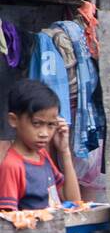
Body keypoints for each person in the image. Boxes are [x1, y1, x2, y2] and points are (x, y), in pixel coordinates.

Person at [1, 78, 81, 218]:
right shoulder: (12, 166)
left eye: (51, 125)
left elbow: (74, 203)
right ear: (14, 120)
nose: (44, 134)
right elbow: (8, 222)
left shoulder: (42, 156)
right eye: (37, 123)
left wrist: (65, 152)